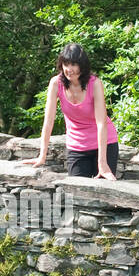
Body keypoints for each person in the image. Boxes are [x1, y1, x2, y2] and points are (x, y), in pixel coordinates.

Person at [23, 44, 118, 180]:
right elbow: (49, 120)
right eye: (66, 64)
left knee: (103, 193)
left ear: (82, 66)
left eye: (73, 64)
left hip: (105, 144)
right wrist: (42, 155)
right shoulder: (56, 83)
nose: (69, 69)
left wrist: (102, 163)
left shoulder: (95, 84)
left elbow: (101, 123)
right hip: (77, 146)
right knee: (77, 192)